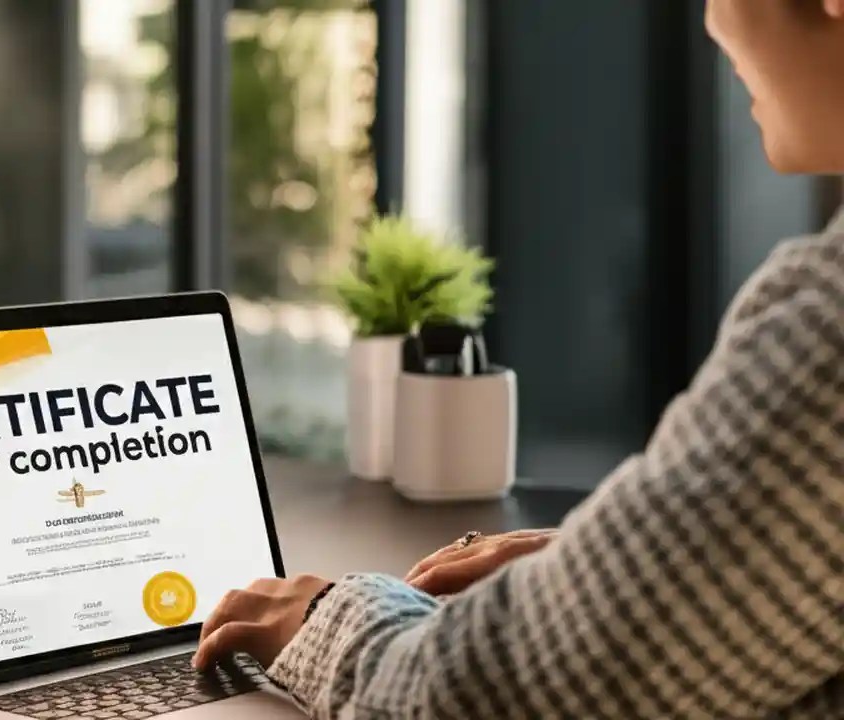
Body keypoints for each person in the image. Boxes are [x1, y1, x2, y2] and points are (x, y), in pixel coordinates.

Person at [192, 1, 844, 717]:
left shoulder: (829, 330)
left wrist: (320, 616)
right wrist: (606, 572)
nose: (712, 21)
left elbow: (473, 702)